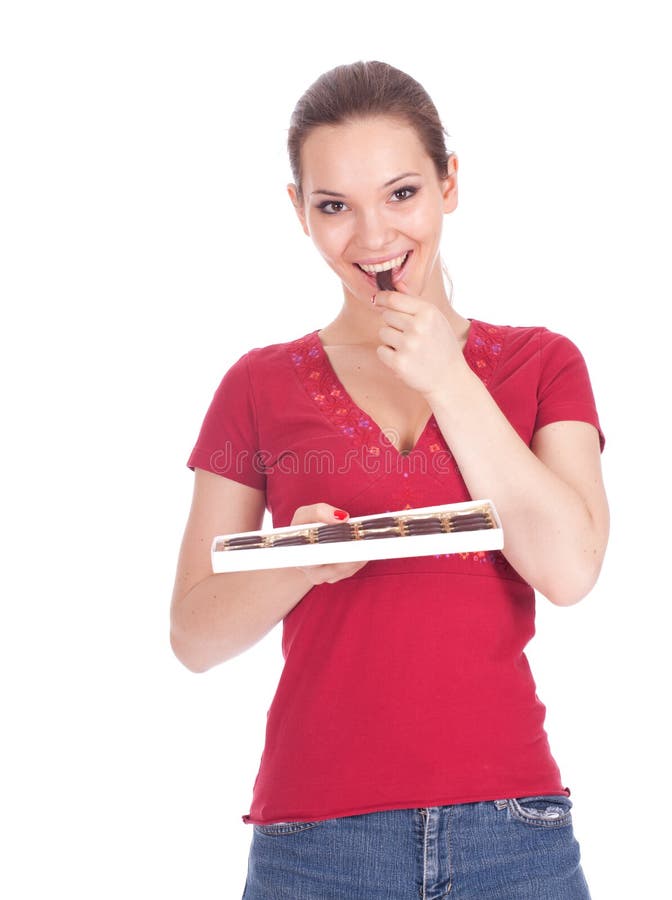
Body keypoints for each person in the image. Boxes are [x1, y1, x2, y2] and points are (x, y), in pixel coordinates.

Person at [170, 60, 609, 900]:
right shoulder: (258, 385)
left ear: (450, 184)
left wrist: (450, 378)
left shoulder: (542, 363)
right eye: (334, 206)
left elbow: (570, 570)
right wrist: (301, 560)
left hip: (513, 833)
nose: (372, 237)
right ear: (299, 212)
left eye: (402, 193)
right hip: (313, 845)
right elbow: (193, 634)